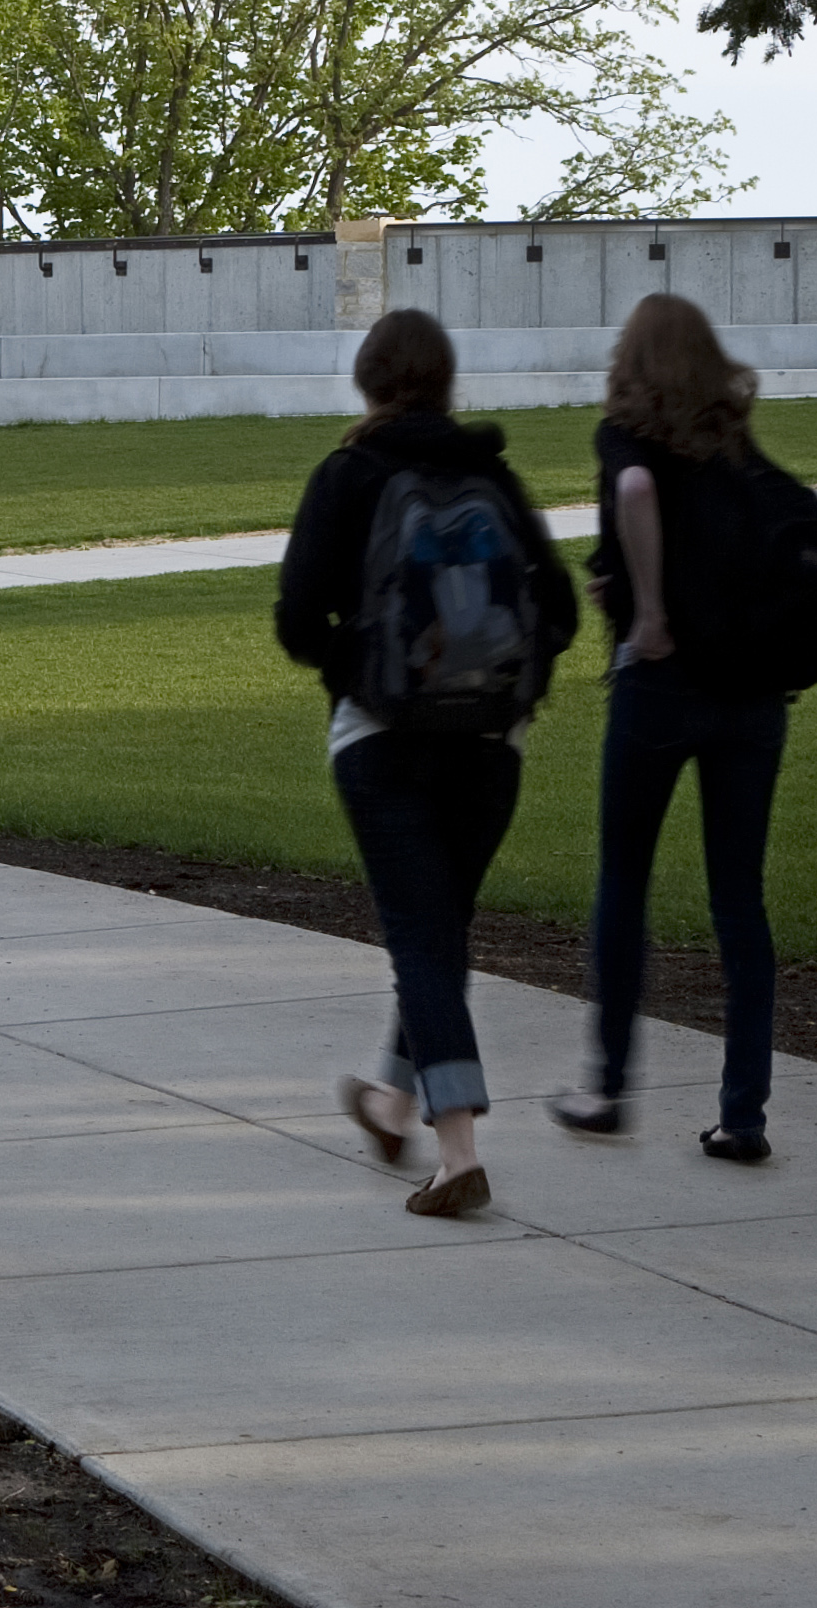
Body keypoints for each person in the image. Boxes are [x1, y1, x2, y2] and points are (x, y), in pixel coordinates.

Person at [273, 306, 580, 1218]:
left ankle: (458, 1155)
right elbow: (561, 610)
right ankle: (390, 1104)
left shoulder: (349, 474)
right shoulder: (493, 475)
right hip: (490, 745)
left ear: (367, 381)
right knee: (439, 934)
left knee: (422, 939)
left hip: (383, 741)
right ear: (448, 383)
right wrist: (507, 686)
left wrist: (363, 666)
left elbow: (296, 620)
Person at [558, 292, 803, 1164]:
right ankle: (744, 1113)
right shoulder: (736, 444)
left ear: (631, 361)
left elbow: (634, 492)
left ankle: (607, 1086)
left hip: (661, 686)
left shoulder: (626, 438)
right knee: (739, 898)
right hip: (752, 697)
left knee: (625, 878)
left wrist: (650, 609)